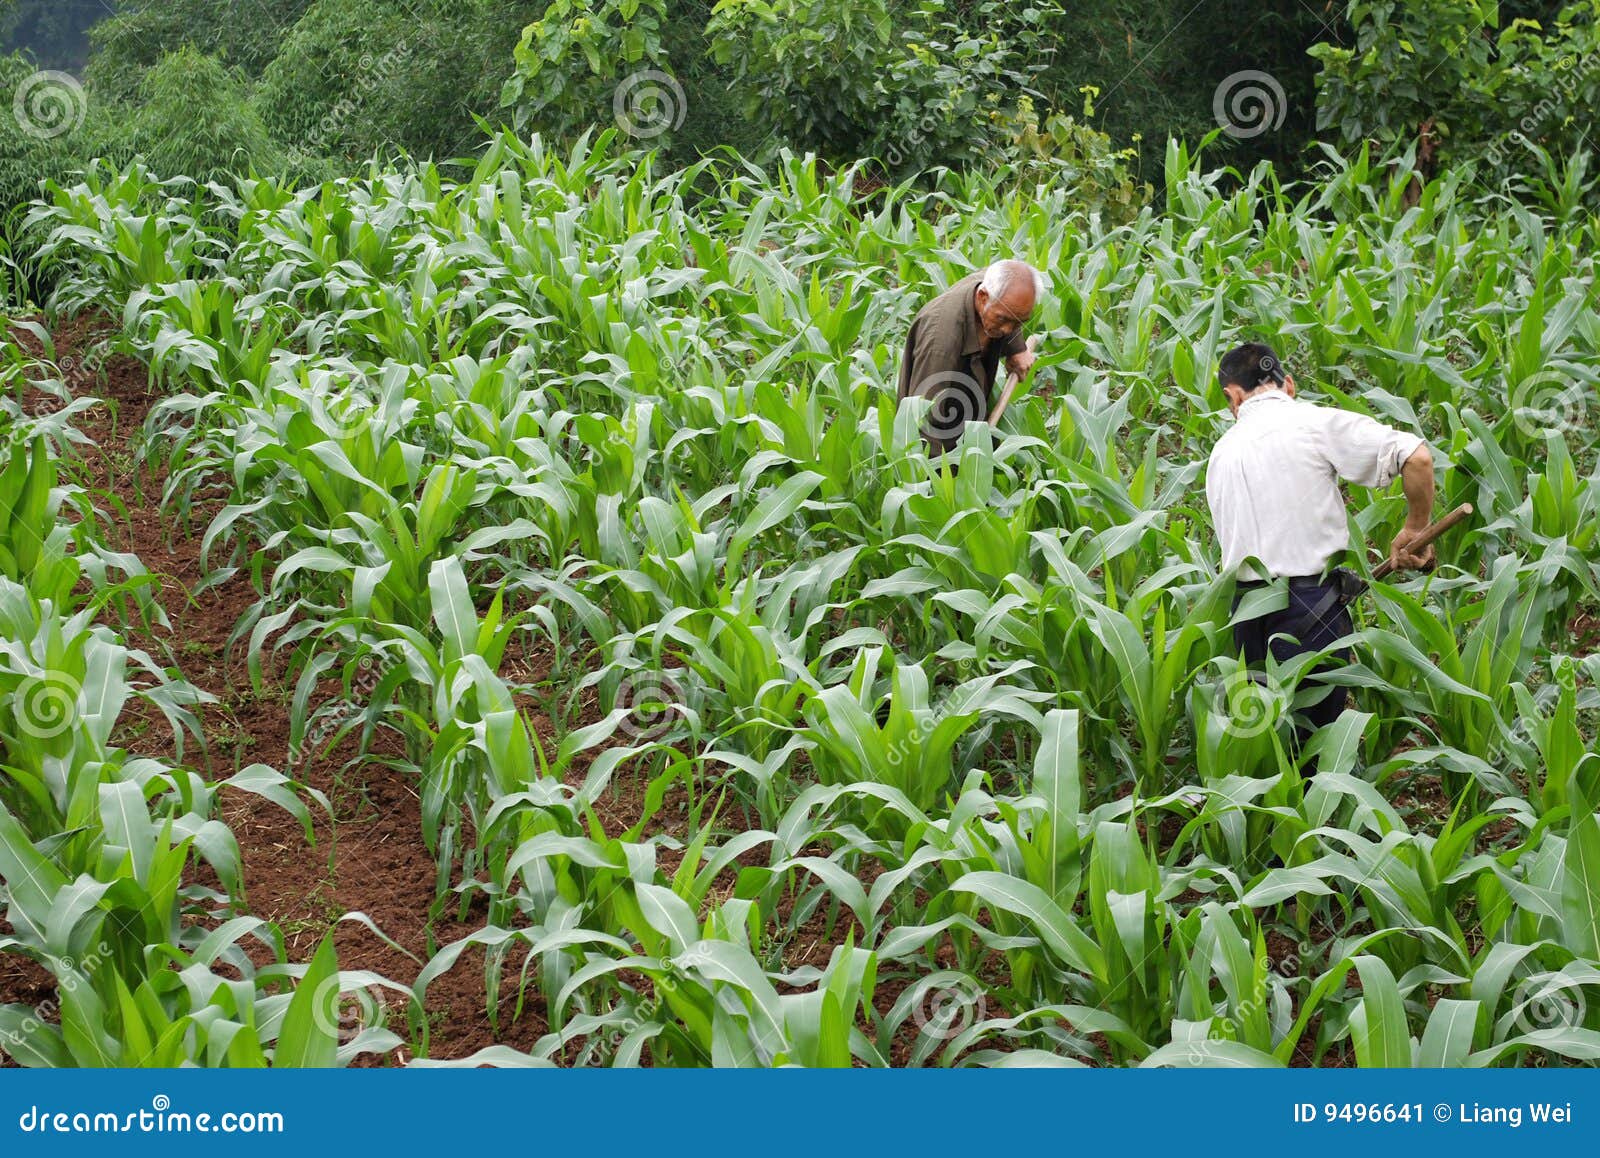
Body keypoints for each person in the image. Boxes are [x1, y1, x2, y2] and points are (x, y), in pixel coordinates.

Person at [1205, 342, 1437, 745]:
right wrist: (1416, 527)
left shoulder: (1221, 452)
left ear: (1233, 396)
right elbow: (1416, 457)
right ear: (1288, 384)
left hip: (1244, 613)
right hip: (1310, 611)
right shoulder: (1312, 424)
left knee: (1266, 747)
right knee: (1312, 747)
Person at [896, 260, 1044, 459]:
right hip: (940, 433)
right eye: (1002, 319)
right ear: (982, 297)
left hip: (969, 410)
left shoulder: (994, 287)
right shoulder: (941, 342)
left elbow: (1010, 310)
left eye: (1018, 323)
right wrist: (941, 477)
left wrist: (1016, 348)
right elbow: (922, 421)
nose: (1008, 330)